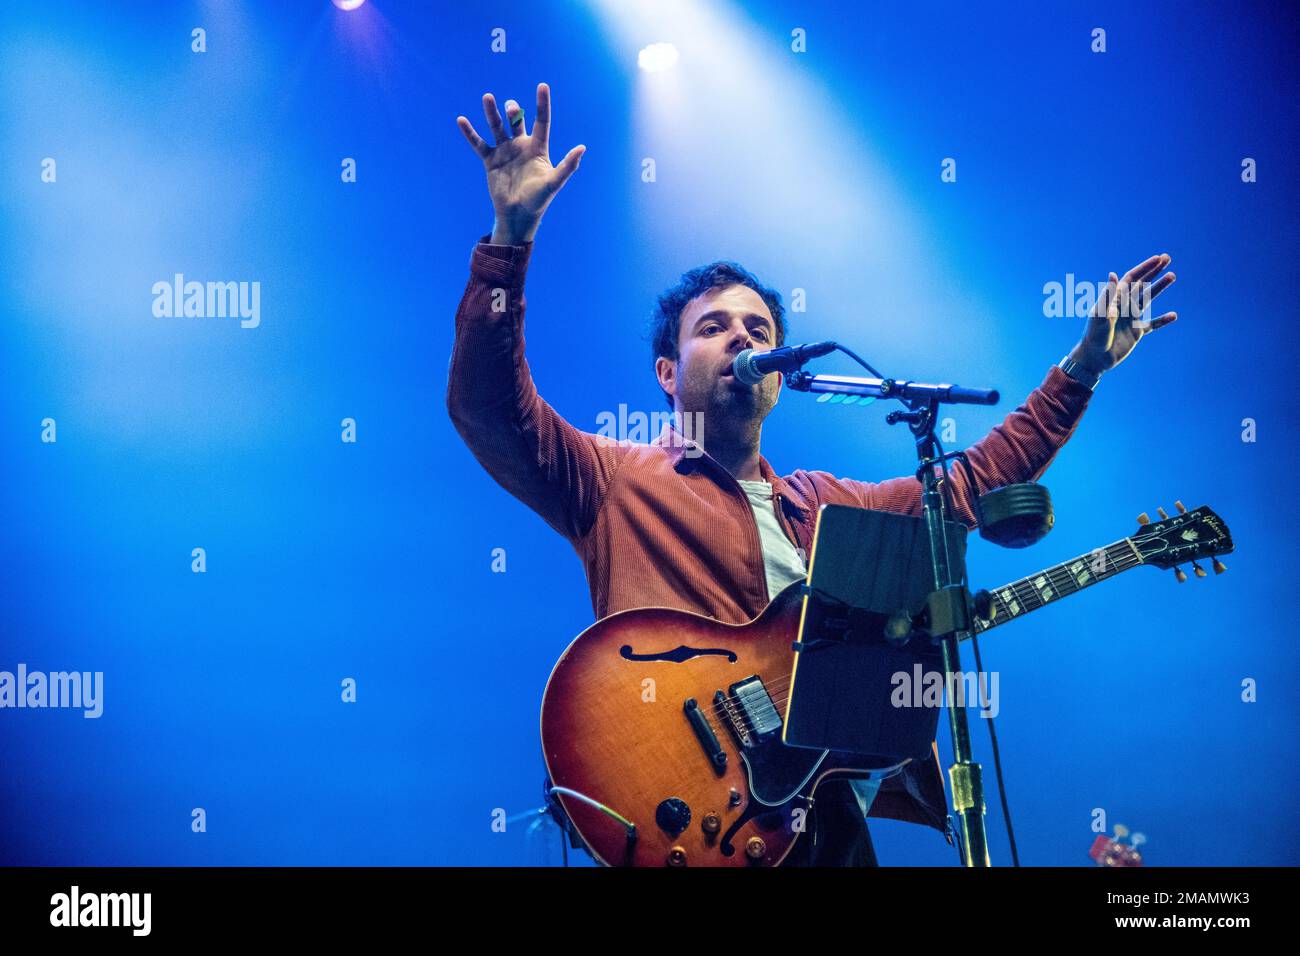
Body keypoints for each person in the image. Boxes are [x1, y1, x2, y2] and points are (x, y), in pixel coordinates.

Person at [449, 83, 1178, 866]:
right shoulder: (612, 477)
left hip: (815, 822)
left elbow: (966, 489)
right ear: (667, 369)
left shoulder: (828, 506)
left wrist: (1084, 368)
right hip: (690, 812)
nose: (741, 338)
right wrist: (509, 241)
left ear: (782, 371)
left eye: (759, 328)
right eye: (714, 327)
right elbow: (491, 408)